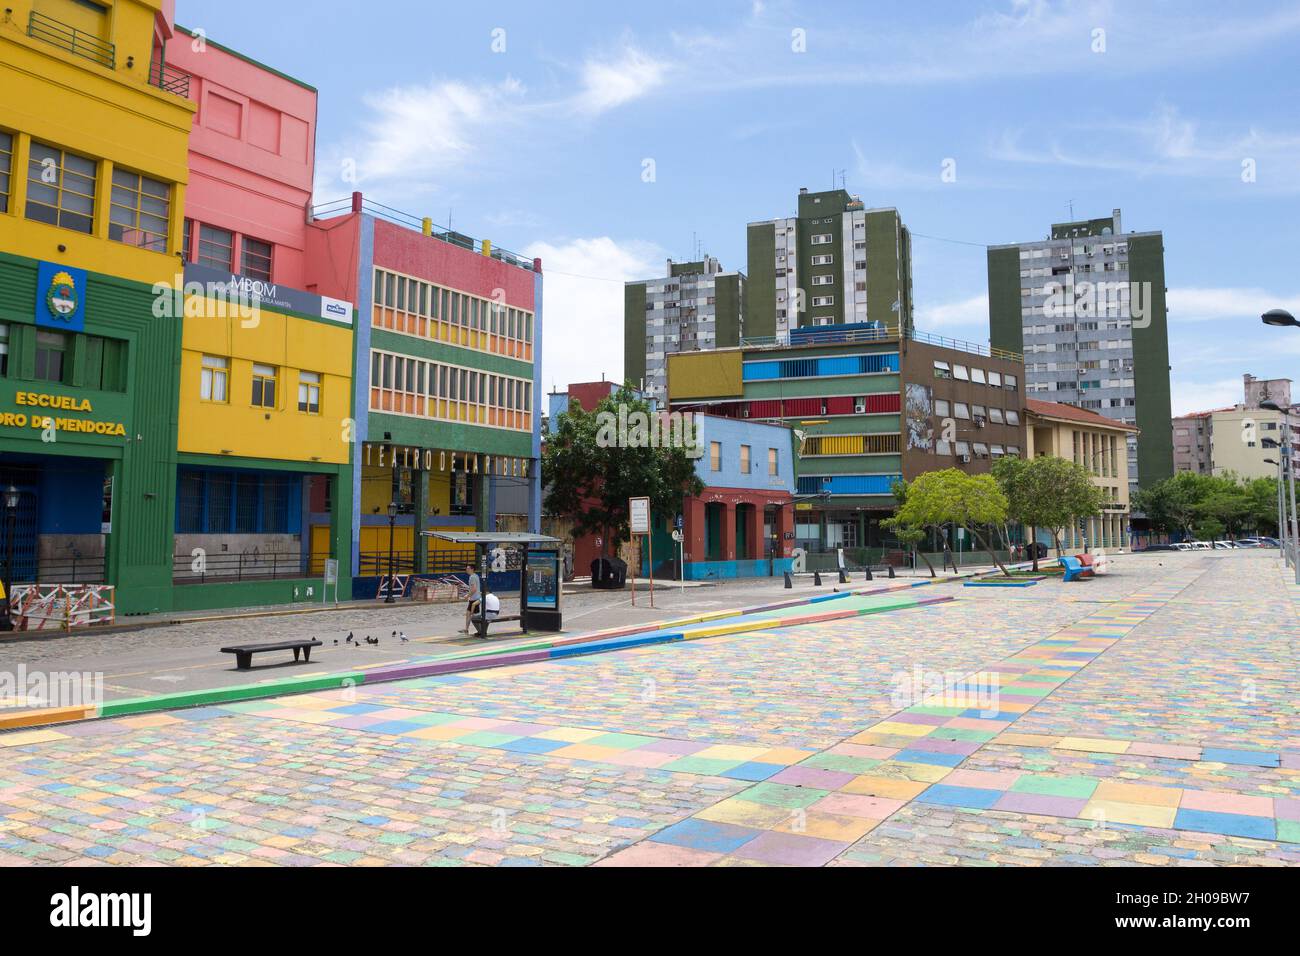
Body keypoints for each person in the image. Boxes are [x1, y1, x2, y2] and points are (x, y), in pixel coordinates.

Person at [460, 562, 482, 634]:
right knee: (468, 613)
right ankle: (466, 629)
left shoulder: (472, 577)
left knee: (475, 616)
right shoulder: (476, 576)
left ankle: (481, 631)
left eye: (468, 568)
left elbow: (474, 589)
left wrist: (467, 595)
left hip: (475, 599)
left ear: (472, 569)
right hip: (474, 598)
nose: (466, 569)